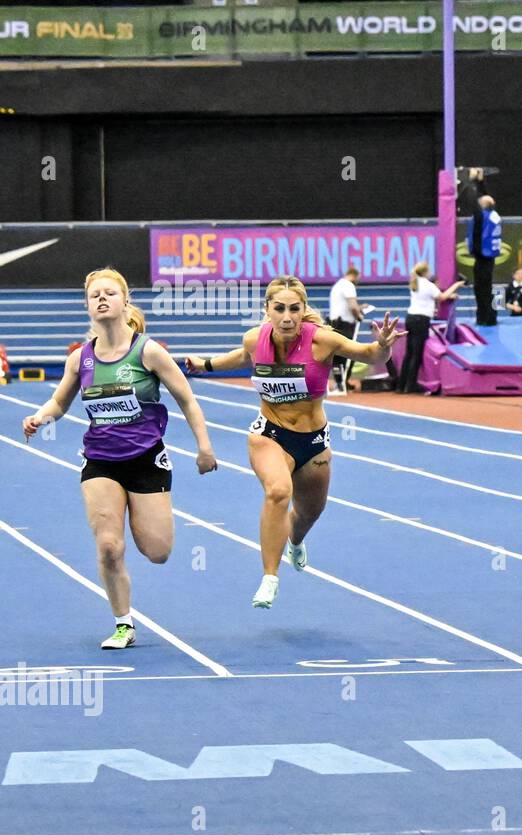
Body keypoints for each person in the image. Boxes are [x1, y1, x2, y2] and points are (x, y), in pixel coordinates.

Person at [21, 268, 218, 649]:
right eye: (95, 295)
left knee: (158, 552)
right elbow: (61, 401)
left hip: (146, 459)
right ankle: (123, 624)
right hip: (101, 461)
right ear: (87, 306)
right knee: (109, 546)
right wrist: (40, 416)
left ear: (125, 302)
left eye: (110, 293)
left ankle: (142, 514)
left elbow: (187, 399)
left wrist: (204, 446)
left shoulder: (149, 351)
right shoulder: (81, 359)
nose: (102, 299)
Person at [184, 276, 404, 607]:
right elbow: (241, 356)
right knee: (278, 491)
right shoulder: (254, 339)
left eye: (294, 309)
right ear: (267, 310)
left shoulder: (322, 341)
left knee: (308, 514)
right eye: (279, 309)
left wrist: (384, 345)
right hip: (269, 434)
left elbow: (370, 355)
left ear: (303, 311)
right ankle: (269, 578)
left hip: (313, 441)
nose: (287, 317)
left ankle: (296, 541)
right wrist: (205, 364)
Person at [399, 262, 462, 394]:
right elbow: (442, 297)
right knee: (417, 353)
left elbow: (431, 297)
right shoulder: (428, 285)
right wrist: (456, 285)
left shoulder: (415, 283)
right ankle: (410, 386)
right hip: (421, 320)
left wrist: (450, 295)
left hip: (410, 317)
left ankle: (402, 385)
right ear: (426, 272)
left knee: (409, 353)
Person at [328, 266, 365, 393]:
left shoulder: (338, 285)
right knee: (350, 353)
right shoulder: (349, 285)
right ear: (354, 276)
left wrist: (360, 307)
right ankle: (341, 383)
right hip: (344, 325)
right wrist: (359, 315)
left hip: (335, 323)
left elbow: (346, 306)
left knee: (338, 355)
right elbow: (352, 306)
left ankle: (341, 382)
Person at [470, 183, 502, 327]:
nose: (479, 202)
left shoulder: (482, 216)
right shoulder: (493, 214)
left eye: (481, 202)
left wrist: (473, 182)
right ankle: (488, 317)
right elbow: (486, 199)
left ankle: (486, 318)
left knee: (481, 289)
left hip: (483, 255)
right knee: (485, 288)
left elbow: (475, 202)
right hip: (488, 256)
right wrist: (481, 182)